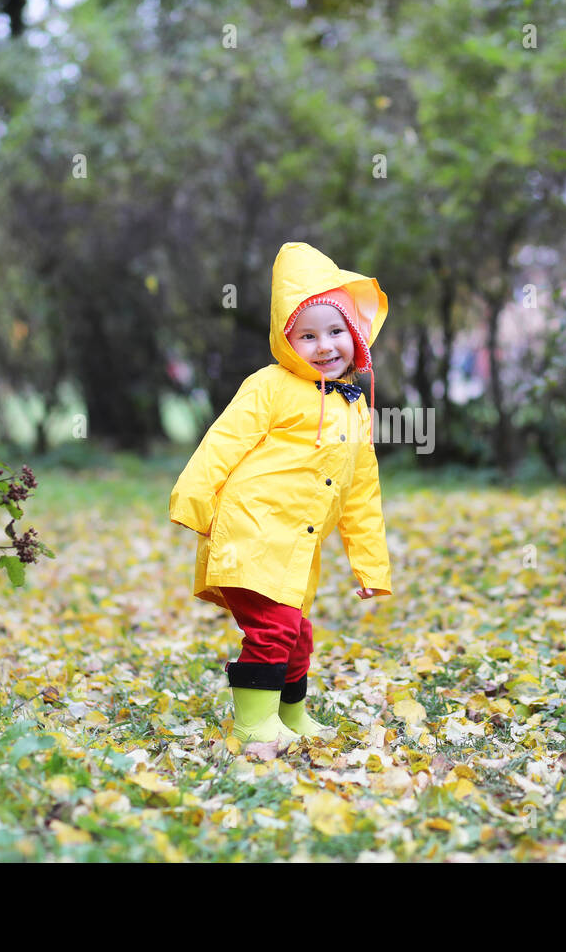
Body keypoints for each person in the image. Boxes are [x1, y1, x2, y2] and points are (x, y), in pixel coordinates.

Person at [168, 241, 392, 753]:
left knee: (297, 634)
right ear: (287, 342)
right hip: (250, 533)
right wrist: (194, 501)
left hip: (295, 547)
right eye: (307, 336)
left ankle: (290, 715)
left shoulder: (355, 407)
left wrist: (371, 567)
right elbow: (224, 441)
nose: (324, 346)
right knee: (274, 630)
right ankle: (253, 726)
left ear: (355, 334)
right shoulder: (269, 386)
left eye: (335, 331)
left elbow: (361, 492)